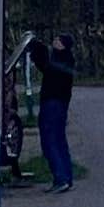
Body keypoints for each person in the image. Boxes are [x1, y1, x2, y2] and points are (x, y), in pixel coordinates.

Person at [36, 32, 79, 192]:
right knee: (59, 140)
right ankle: (66, 177)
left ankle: (61, 178)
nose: (54, 41)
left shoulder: (60, 61)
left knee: (50, 140)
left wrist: (37, 49)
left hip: (52, 104)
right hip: (60, 105)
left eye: (58, 40)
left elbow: (46, 66)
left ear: (63, 45)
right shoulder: (65, 61)